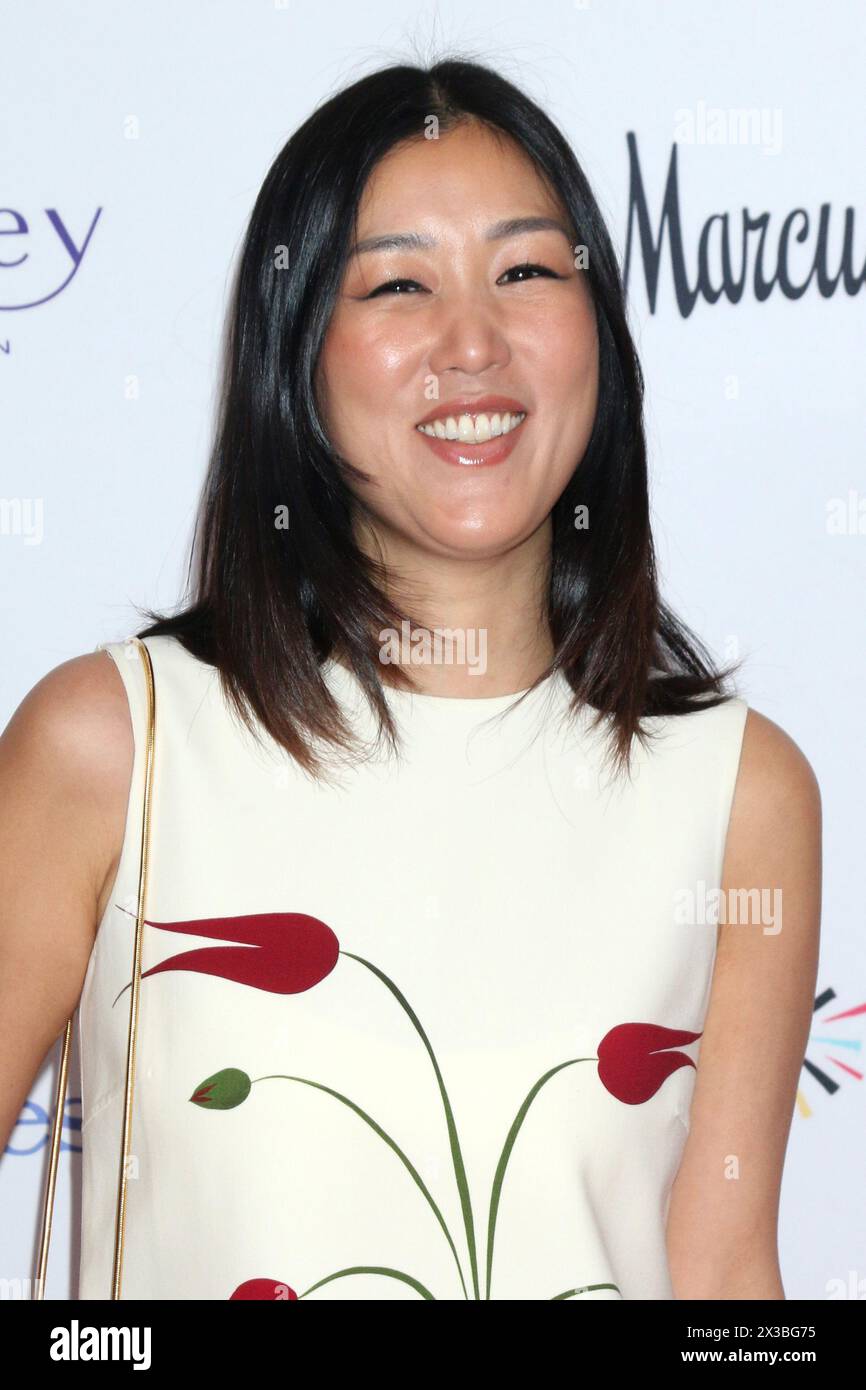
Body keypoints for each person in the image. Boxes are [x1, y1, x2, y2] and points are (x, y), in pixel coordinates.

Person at [0, 58, 821, 1301]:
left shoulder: (734, 791)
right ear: (299, 357)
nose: (472, 342)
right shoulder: (121, 743)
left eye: (526, 271)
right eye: (397, 284)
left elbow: (723, 1277)